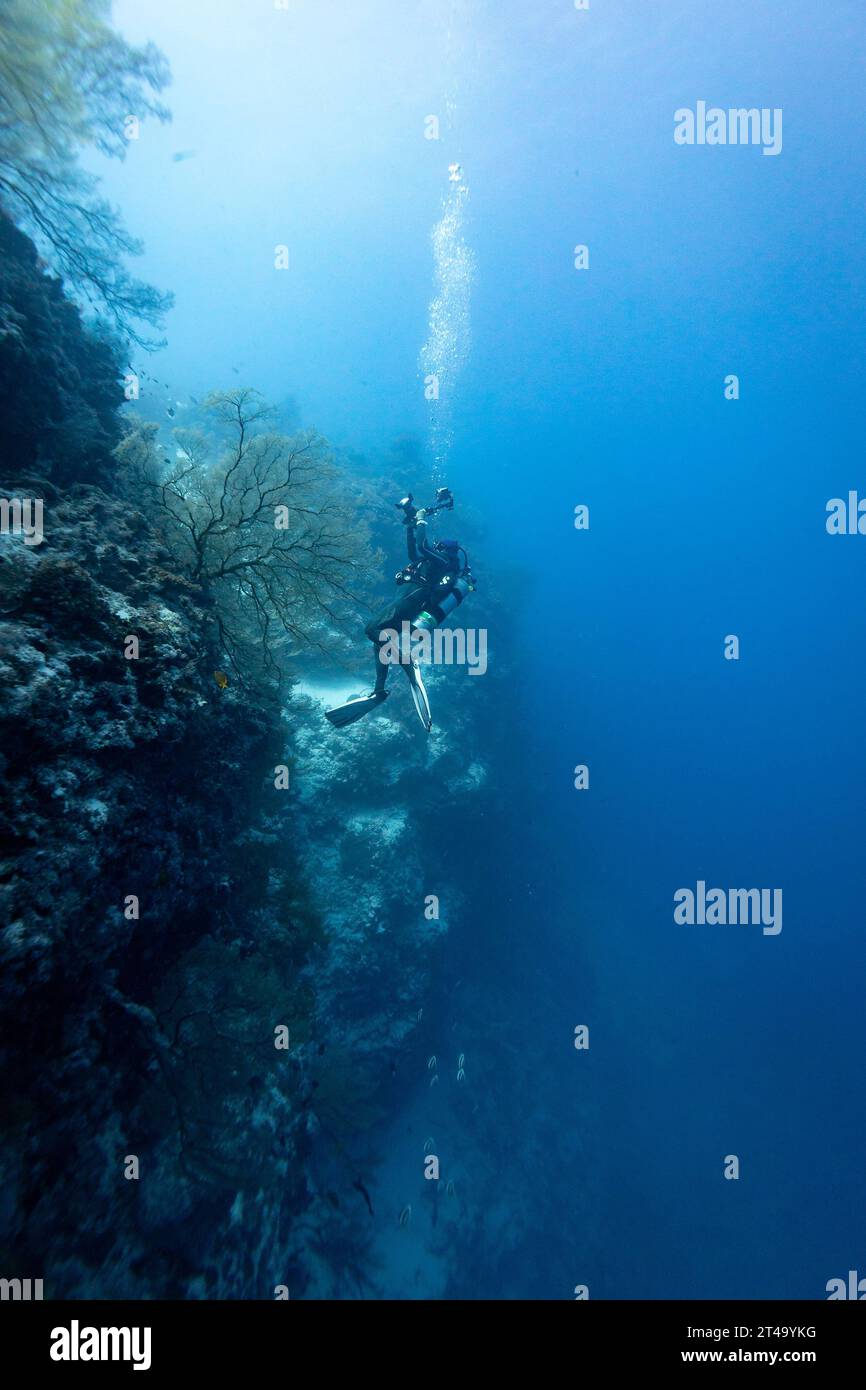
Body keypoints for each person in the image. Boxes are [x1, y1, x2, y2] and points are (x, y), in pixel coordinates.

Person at [325, 488, 475, 731]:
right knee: (380, 643)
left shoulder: (442, 561)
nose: (435, 548)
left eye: (439, 546)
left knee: (372, 629)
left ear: (445, 551)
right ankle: (378, 691)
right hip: (407, 597)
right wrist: (409, 525)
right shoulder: (432, 560)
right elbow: (413, 551)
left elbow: (422, 546)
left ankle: (407, 660)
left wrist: (422, 519)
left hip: (413, 598)